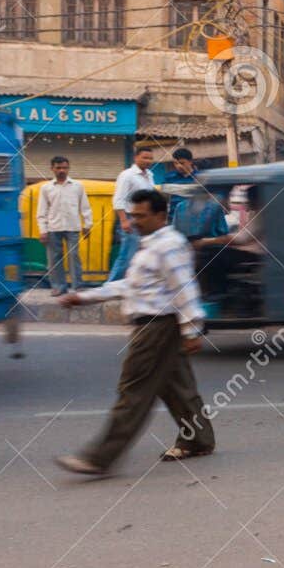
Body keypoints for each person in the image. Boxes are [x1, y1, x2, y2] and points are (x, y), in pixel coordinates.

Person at [54, 189, 215, 476]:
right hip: (160, 325)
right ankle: (198, 439)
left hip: (157, 327)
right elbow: (129, 286)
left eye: (141, 216)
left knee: (134, 391)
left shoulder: (169, 245)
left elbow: (184, 288)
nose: (135, 221)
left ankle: (100, 457)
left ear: (160, 215)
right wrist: (86, 297)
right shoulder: (149, 245)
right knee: (177, 386)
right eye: (133, 215)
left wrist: (192, 330)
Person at [36, 155, 92, 296]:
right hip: (53, 228)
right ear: (52, 169)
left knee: (74, 256)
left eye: (65, 167)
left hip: (73, 227)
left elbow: (85, 207)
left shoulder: (77, 186)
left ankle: (77, 286)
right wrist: (43, 230)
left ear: (68, 168)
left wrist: (88, 224)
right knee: (54, 258)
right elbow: (41, 211)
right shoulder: (46, 188)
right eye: (58, 168)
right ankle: (58, 287)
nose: (62, 170)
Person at [107, 145, 157, 281]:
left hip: (145, 221)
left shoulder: (150, 175)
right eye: (145, 158)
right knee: (127, 256)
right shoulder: (127, 175)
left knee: (139, 256)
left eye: (151, 158)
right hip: (130, 219)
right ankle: (110, 288)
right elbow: (118, 199)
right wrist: (124, 221)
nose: (148, 161)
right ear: (136, 158)